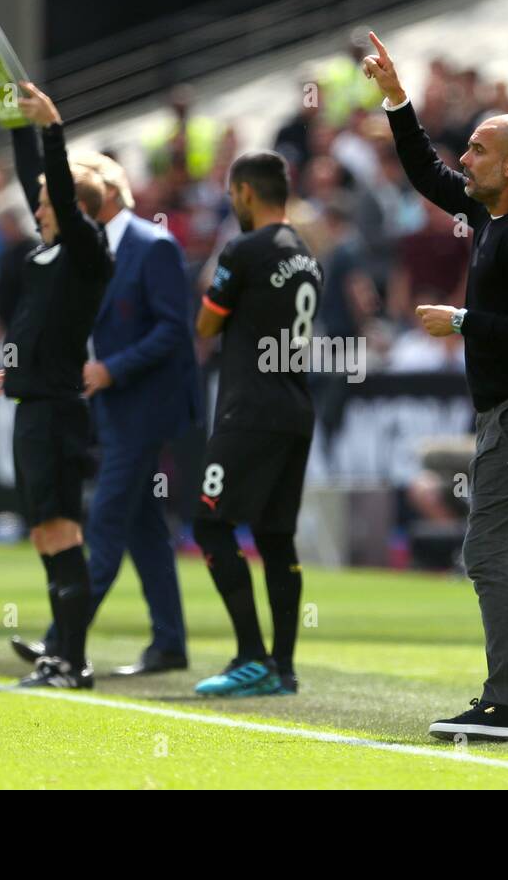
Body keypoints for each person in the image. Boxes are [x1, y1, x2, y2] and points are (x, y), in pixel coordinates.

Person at [364, 31, 508, 740]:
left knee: (484, 555)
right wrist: (398, 99)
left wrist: (464, 319)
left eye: (479, 151)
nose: (464, 160)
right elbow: (426, 174)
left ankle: (501, 702)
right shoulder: (494, 216)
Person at [11, 153, 200, 677]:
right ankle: (170, 642)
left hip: (142, 405)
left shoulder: (153, 245)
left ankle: (61, 642)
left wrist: (112, 369)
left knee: (105, 526)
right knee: (144, 530)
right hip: (115, 407)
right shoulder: (91, 250)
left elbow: (172, 329)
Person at [0, 84, 114, 689]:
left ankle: (72, 661)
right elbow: (32, 175)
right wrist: (17, 125)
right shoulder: (49, 252)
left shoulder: (87, 251)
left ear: (71, 208)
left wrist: (52, 126)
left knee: (62, 531)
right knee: (43, 532)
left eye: (45, 201)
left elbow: (55, 183)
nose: (37, 207)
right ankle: (59, 648)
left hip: (59, 411)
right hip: (32, 403)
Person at [191, 151, 322, 697]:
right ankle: (283, 667)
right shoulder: (308, 255)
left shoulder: (244, 250)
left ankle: (251, 654)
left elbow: (205, 324)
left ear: (245, 192)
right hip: (294, 407)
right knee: (275, 536)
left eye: (231, 195)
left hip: (250, 410)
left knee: (210, 522)